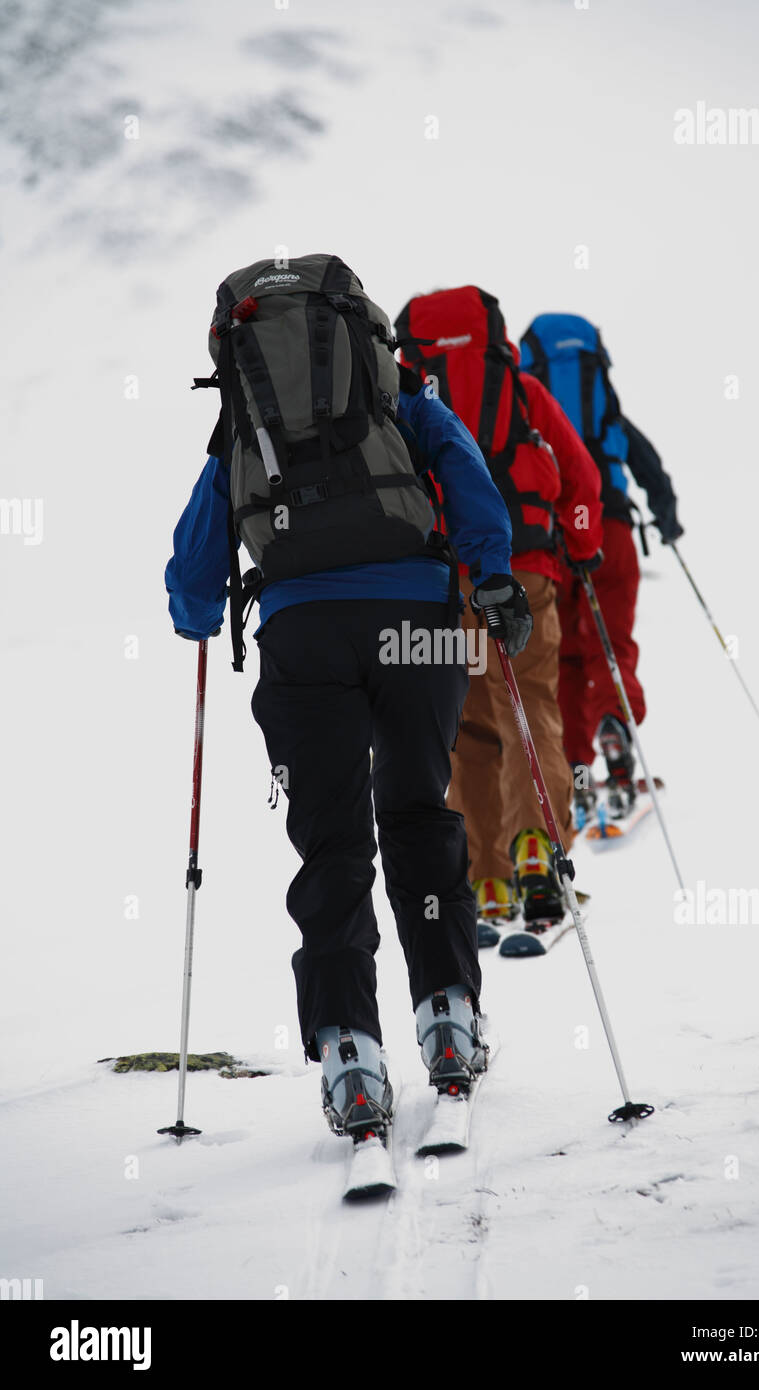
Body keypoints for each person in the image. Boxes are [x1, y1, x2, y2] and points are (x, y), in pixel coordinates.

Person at [166, 254, 523, 1149]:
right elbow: (463, 465)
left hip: (303, 630)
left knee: (332, 840)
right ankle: (447, 1015)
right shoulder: (397, 389)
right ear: (361, 331)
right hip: (420, 624)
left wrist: (197, 608)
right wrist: (490, 574)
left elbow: (197, 557)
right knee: (417, 809)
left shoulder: (248, 422)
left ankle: (350, 1053)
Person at [395, 287, 603, 947]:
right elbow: (579, 474)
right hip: (528, 573)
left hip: (444, 583)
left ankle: (485, 880)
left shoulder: (411, 401)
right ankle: (538, 856)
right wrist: (586, 547)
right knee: (531, 714)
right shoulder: (521, 390)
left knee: (468, 730)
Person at [520, 315, 683, 817]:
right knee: (610, 645)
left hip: (552, 538)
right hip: (608, 528)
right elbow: (648, 463)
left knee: (565, 658)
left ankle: (575, 766)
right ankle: (615, 733)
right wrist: (666, 517)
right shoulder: (607, 411)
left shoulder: (530, 406)